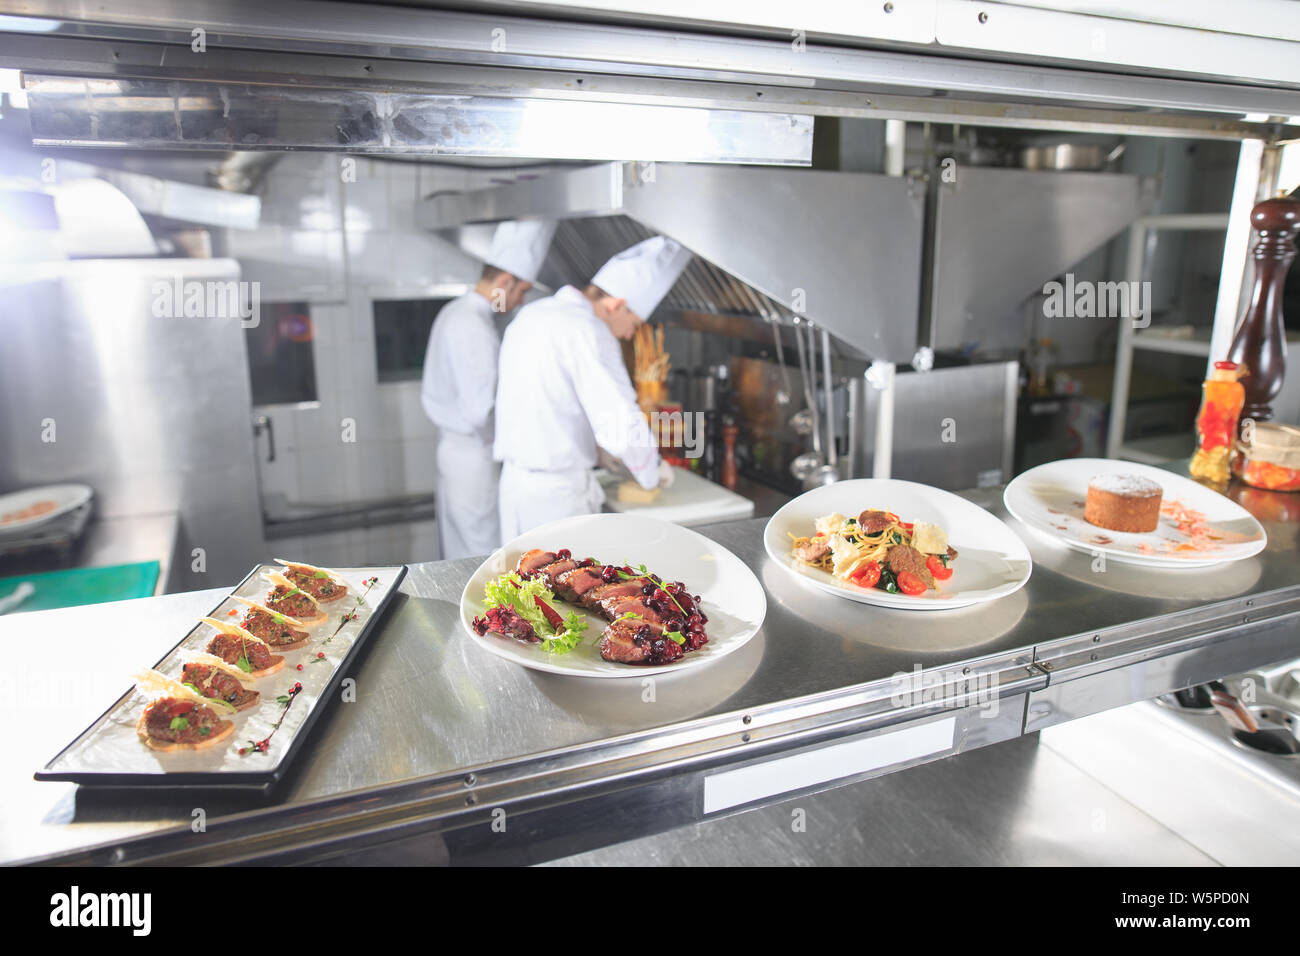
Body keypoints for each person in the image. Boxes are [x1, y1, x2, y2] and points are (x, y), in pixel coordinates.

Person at [494, 235, 692, 539]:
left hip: (515, 488)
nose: (629, 335)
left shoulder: (533, 314)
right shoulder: (588, 329)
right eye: (635, 323)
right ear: (616, 305)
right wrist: (651, 470)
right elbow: (620, 424)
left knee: (519, 583)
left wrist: (599, 452)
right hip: (557, 499)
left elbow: (551, 402)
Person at [421, 219, 556, 559]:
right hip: (473, 459)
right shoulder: (473, 327)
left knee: (460, 546)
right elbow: (481, 411)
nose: (520, 301)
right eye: (521, 291)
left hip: (456, 454)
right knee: (480, 552)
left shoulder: (454, 312)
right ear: (505, 281)